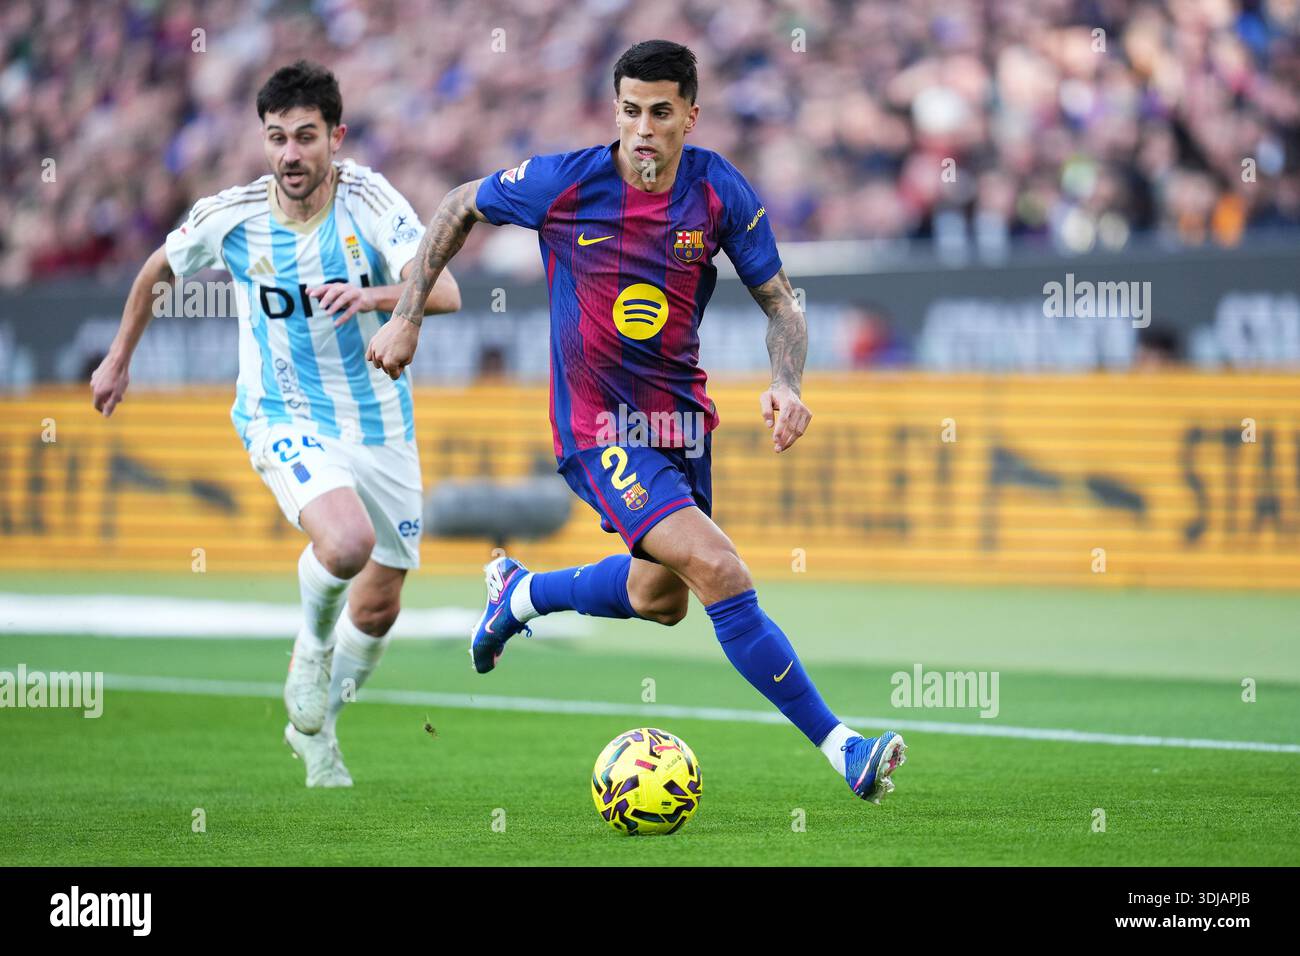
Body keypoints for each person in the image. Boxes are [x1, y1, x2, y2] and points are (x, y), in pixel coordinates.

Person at [368, 40, 906, 803]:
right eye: (630, 111)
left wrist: (787, 383)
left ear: (691, 112)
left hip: (682, 428)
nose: (643, 129)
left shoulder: (718, 192)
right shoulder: (564, 182)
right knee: (722, 570)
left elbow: (781, 300)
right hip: (595, 429)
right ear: (614, 110)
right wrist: (409, 316)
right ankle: (843, 747)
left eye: (660, 112)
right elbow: (459, 203)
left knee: (663, 598)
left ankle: (520, 594)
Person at [89, 61, 461, 787]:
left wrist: (371, 295)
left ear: (336, 137)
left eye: (305, 137)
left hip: (381, 422)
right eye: (277, 138)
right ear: (265, 143)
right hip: (281, 412)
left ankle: (313, 731)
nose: (290, 154)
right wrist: (118, 357)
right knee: (346, 543)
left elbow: (441, 290)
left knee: (381, 606)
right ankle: (310, 647)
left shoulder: (370, 199)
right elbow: (159, 269)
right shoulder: (234, 215)